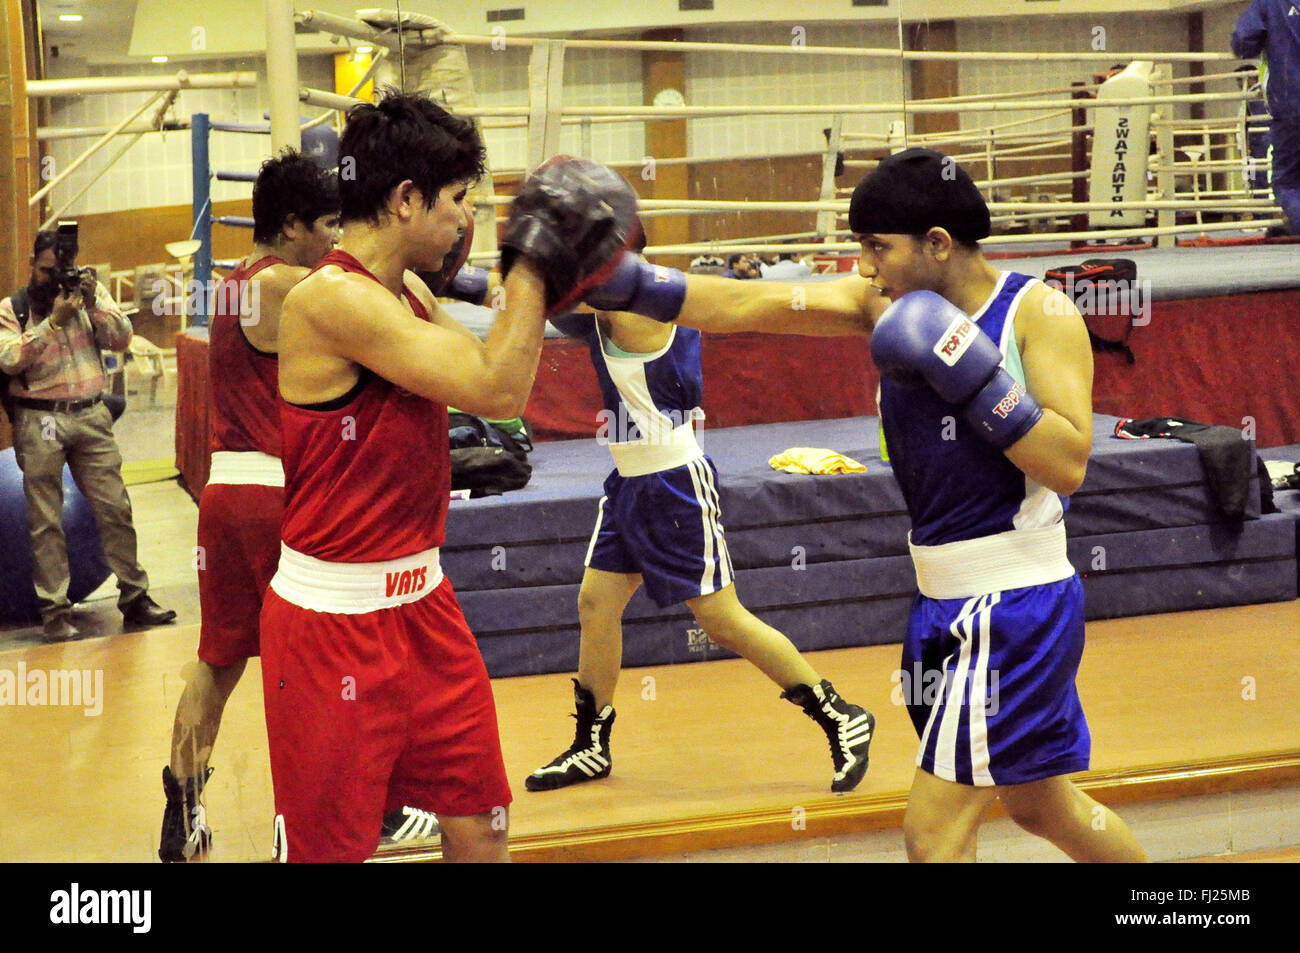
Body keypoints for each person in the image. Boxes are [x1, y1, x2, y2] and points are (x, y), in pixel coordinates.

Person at [574, 147, 1148, 863]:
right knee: (1043, 805)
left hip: (1012, 606)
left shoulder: (1040, 313)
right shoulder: (883, 304)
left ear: (938, 244)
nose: (865, 267)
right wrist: (619, 279)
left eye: (878, 248)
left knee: (933, 830)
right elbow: (739, 302)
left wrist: (972, 378)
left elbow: (1067, 463)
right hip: (943, 599)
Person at [260, 94, 631, 862]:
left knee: (481, 820)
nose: (466, 219)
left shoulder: (412, 292)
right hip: (334, 625)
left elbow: (487, 363)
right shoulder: (328, 301)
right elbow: (497, 389)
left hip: (424, 607)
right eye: (459, 200)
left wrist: (554, 281)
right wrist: (534, 260)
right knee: (333, 850)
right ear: (405, 200)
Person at [527, 293, 876, 795]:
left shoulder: (634, 309)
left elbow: (549, 301)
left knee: (721, 619)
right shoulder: (613, 302)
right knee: (596, 603)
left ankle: (841, 715)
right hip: (630, 480)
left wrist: (482, 278)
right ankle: (590, 745)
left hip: (672, 484)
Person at [158, 150, 340, 863]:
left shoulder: (235, 285)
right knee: (311, 663)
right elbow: (377, 290)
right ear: (291, 224)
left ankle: (180, 816)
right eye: (327, 223)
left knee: (219, 660)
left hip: (224, 495)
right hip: (275, 496)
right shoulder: (289, 286)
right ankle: (307, 822)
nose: (335, 239)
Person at [0, 231, 176, 642]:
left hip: (91, 414)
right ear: (31, 265)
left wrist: (94, 300)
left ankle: (135, 597)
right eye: (46, 270)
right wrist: (52, 322)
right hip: (40, 419)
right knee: (45, 521)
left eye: (60, 269)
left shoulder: (86, 296)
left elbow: (122, 337)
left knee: (116, 507)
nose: (54, 277)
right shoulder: (13, 309)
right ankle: (55, 610)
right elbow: (8, 359)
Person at [1232, 0, 1300, 234]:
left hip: (1291, 103)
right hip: (1290, 103)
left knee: (1287, 183)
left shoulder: (1271, 4)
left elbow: (1243, 43)